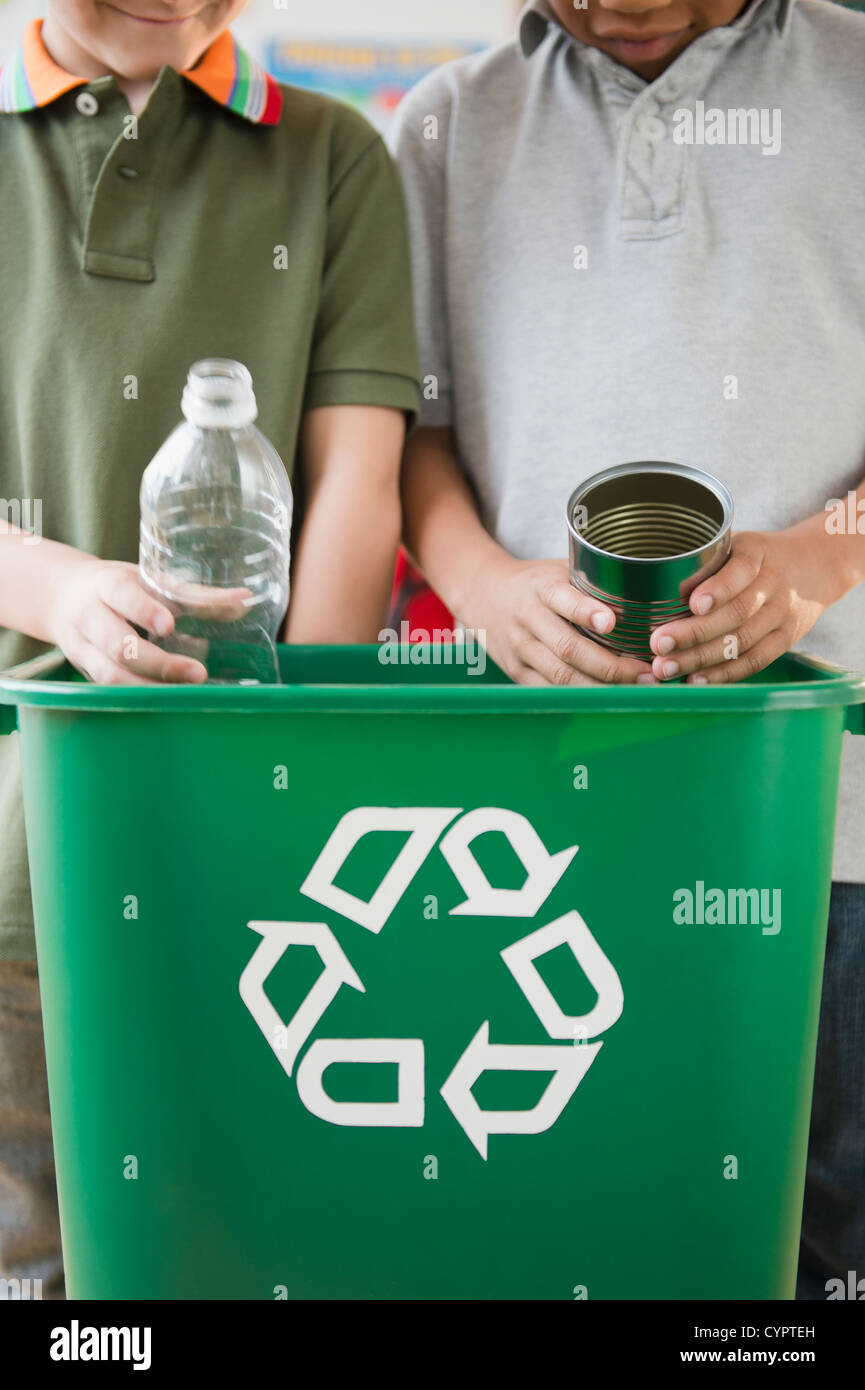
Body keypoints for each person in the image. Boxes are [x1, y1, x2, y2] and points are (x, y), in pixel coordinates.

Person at [390, 0, 865, 1298]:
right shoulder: (443, 129)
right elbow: (411, 435)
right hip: (542, 833)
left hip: (838, 835)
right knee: (575, 1231)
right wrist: (483, 586)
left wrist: (826, 550)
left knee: (839, 1221)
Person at [0, 1, 419, 1296]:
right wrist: (62, 593)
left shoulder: (334, 155)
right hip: (17, 855)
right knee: (32, 1239)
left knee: (232, 1239)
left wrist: (283, 773)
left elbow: (359, 486)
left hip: (253, 846)